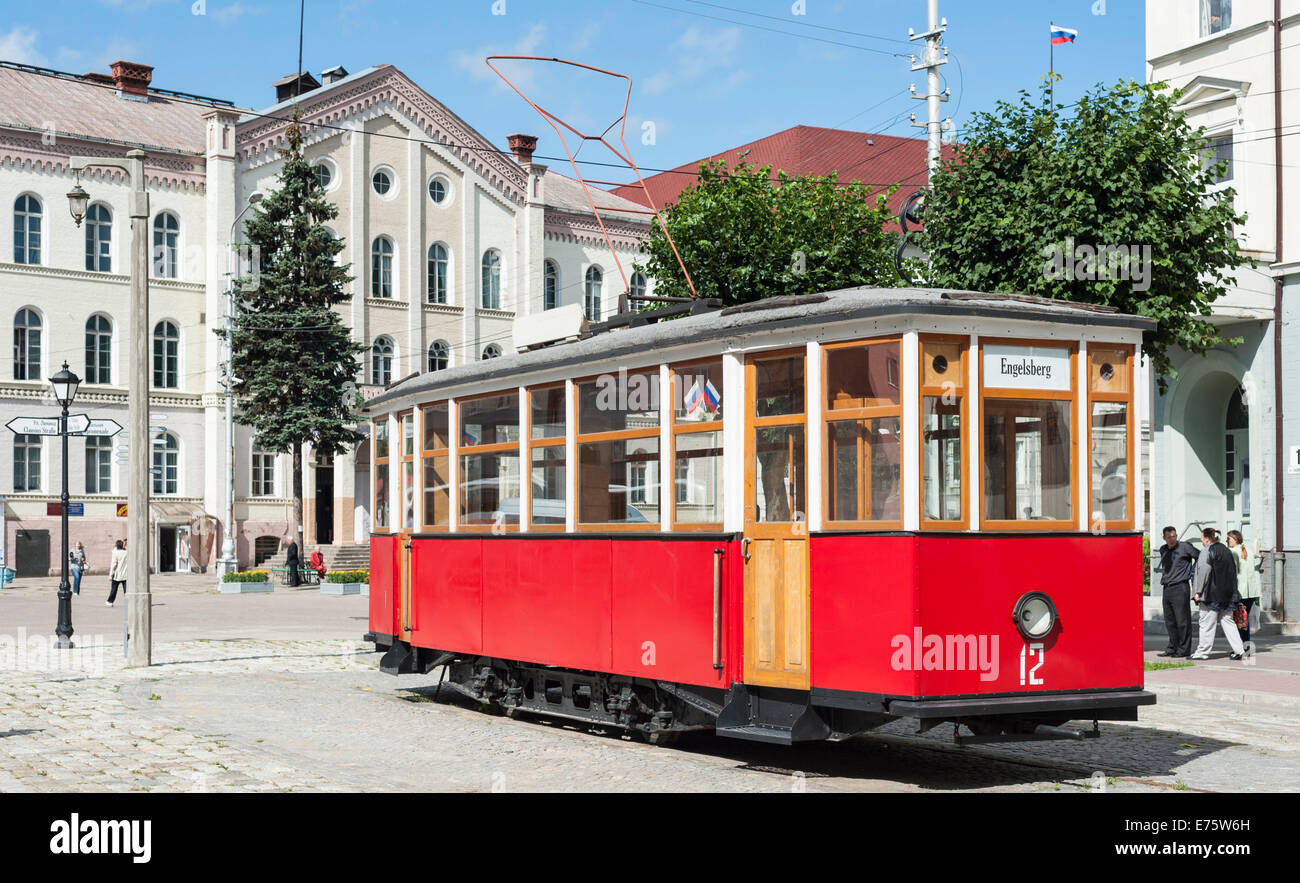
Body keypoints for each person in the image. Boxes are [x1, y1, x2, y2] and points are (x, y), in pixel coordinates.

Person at [1191, 527, 1245, 660]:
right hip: (1227, 594)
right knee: (1228, 622)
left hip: (1210, 594)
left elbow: (1203, 572)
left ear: (1207, 538)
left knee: (1206, 624)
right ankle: (1240, 650)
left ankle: (1202, 652)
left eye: (1202, 539)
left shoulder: (1207, 551)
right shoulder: (1227, 550)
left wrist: (1198, 591)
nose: (1202, 541)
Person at [1156, 526, 1199, 657]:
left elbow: (1200, 557)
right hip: (1167, 588)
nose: (1172, 539)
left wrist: (1192, 572)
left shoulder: (1185, 547)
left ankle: (1183, 649)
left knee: (1182, 621)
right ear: (1164, 538)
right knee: (1170, 621)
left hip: (1180, 587)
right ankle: (1172, 647)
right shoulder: (1163, 549)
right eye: (1169, 537)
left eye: (1174, 536)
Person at [1226, 530, 1261, 645]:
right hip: (1251, 592)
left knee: (1240, 621)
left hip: (1240, 592)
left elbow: (1232, 573)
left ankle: (1243, 646)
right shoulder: (1248, 551)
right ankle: (1244, 645)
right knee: (1243, 621)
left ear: (1235, 539)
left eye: (1228, 539)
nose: (1227, 541)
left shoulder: (1232, 552)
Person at [107, 539, 127, 607]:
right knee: (126, 590)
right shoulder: (126, 552)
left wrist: (110, 575)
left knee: (114, 589)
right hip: (126, 575)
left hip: (117, 575)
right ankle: (129, 602)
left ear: (116, 546)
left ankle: (110, 601)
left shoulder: (115, 553)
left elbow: (113, 565)